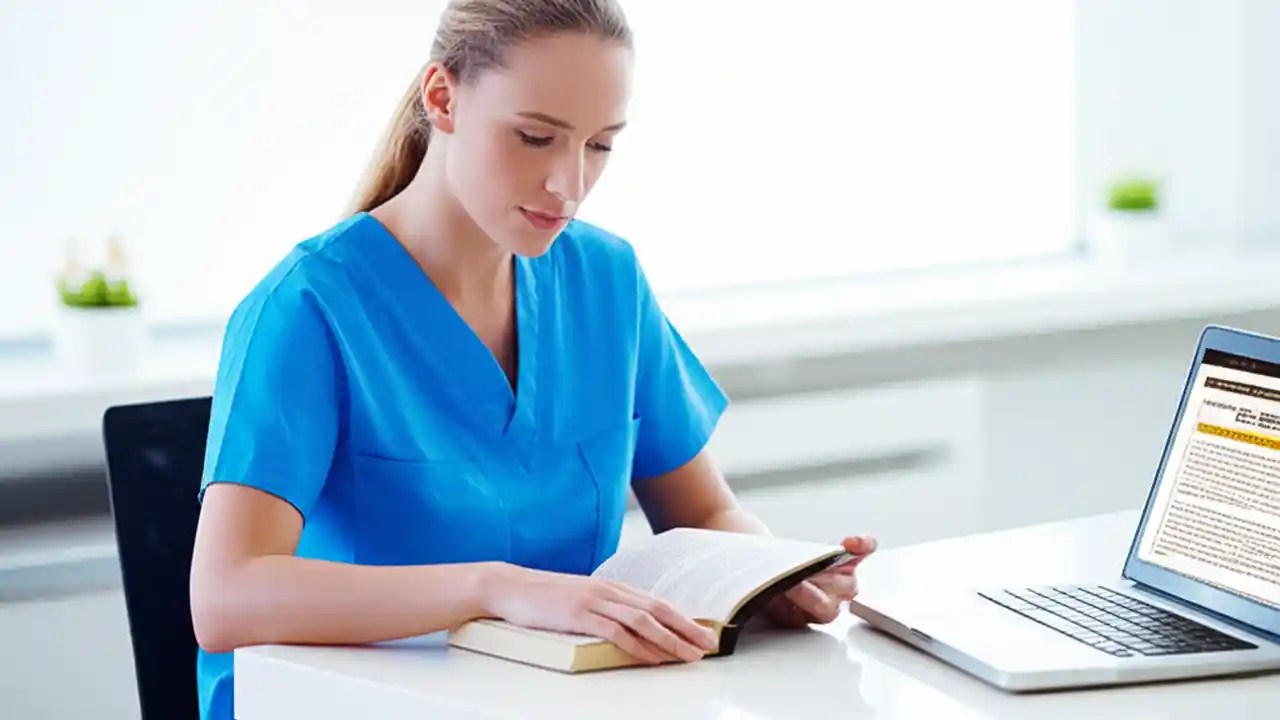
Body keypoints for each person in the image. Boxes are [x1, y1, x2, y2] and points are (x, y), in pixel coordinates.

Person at [188, 1, 877, 717]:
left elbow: (705, 510)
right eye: (535, 137)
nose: (568, 185)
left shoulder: (605, 280)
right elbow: (226, 597)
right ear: (443, 98)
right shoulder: (308, 308)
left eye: (600, 146)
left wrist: (771, 577)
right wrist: (493, 588)